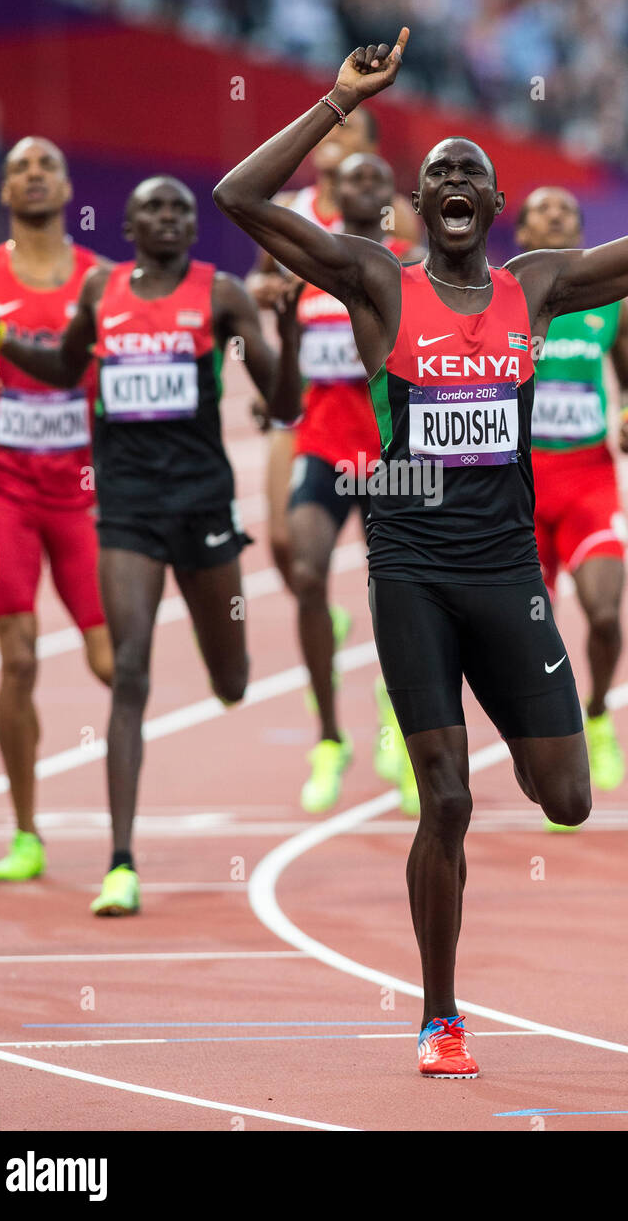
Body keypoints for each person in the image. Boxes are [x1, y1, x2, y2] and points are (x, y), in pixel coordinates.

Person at [213, 0, 628, 1078]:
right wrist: (342, 101)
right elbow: (237, 196)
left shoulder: (539, 286)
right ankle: (440, 1014)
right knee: (446, 795)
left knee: (566, 800)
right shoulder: (375, 281)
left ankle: (526, 768)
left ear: (489, 205)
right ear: (416, 199)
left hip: (502, 571)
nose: (448, 185)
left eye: (466, 175)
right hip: (412, 573)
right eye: (432, 172)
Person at [0, 176, 301, 915]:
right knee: (131, 674)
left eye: (181, 208)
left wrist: (294, 332)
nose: (168, 217)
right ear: (127, 223)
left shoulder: (223, 298)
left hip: (204, 509)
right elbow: (62, 365)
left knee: (233, 680)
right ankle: (121, 863)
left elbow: (285, 405)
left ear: (192, 227)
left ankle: (228, 671)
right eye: (152, 207)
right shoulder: (100, 293)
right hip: (127, 512)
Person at [0, 136, 113, 884]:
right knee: (17, 659)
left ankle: (124, 835)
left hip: (81, 499)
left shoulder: (100, 281)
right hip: (3, 495)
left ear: (66, 182)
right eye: (18, 167)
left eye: (47, 163)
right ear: (5, 192)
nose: (33, 175)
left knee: (116, 663)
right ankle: (26, 833)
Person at [289, 150, 423, 816]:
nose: (364, 186)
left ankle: (398, 723)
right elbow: (285, 391)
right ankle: (329, 738)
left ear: (392, 196)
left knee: (398, 598)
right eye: (351, 179)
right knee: (306, 572)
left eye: (377, 176)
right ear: (332, 196)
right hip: (322, 446)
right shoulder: (310, 269)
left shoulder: (416, 266)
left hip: (396, 456)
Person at [245, 104, 419, 594]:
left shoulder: (392, 213)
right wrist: (259, 296)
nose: (336, 133)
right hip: (306, 395)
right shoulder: (288, 207)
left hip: (369, 402)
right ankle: (326, 618)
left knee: (389, 551)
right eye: (332, 123)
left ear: (371, 149)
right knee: (282, 539)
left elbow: (410, 291)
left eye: (351, 127)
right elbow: (257, 283)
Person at [515, 187, 628, 811]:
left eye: (568, 210)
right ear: (520, 233)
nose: (557, 215)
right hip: (519, 491)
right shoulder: (503, 300)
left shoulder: (611, 303)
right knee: (528, 635)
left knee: (606, 614)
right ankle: (547, 754)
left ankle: (596, 713)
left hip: (590, 482)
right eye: (543, 210)